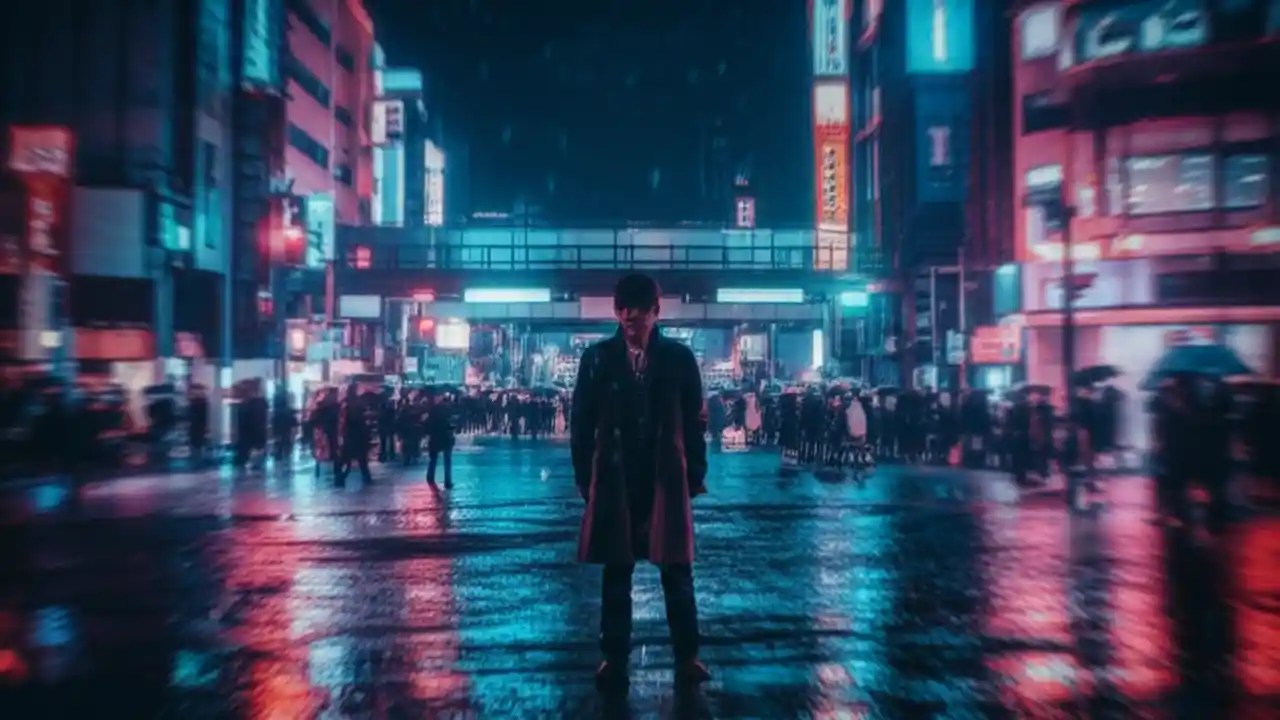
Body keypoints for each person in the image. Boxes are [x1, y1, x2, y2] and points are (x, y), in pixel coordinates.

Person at [571, 273, 711, 689]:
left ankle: (688, 657)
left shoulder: (679, 359)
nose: (631, 319)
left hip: (667, 475)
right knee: (617, 574)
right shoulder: (596, 358)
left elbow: (695, 421)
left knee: (677, 573)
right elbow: (581, 423)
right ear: (617, 312)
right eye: (625, 312)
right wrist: (585, 479)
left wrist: (695, 475)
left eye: (639, 313)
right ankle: (614, 659)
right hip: (615, 475)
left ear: (656, 311)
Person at [425, 395, 456, 487]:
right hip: (446, 437)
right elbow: (452, 424)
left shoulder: (432, 411)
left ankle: (430, 477)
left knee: (433, 459)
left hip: (435, 438)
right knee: (447, 460)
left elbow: (427, 425)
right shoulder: (448, 410)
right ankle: (447, 481)